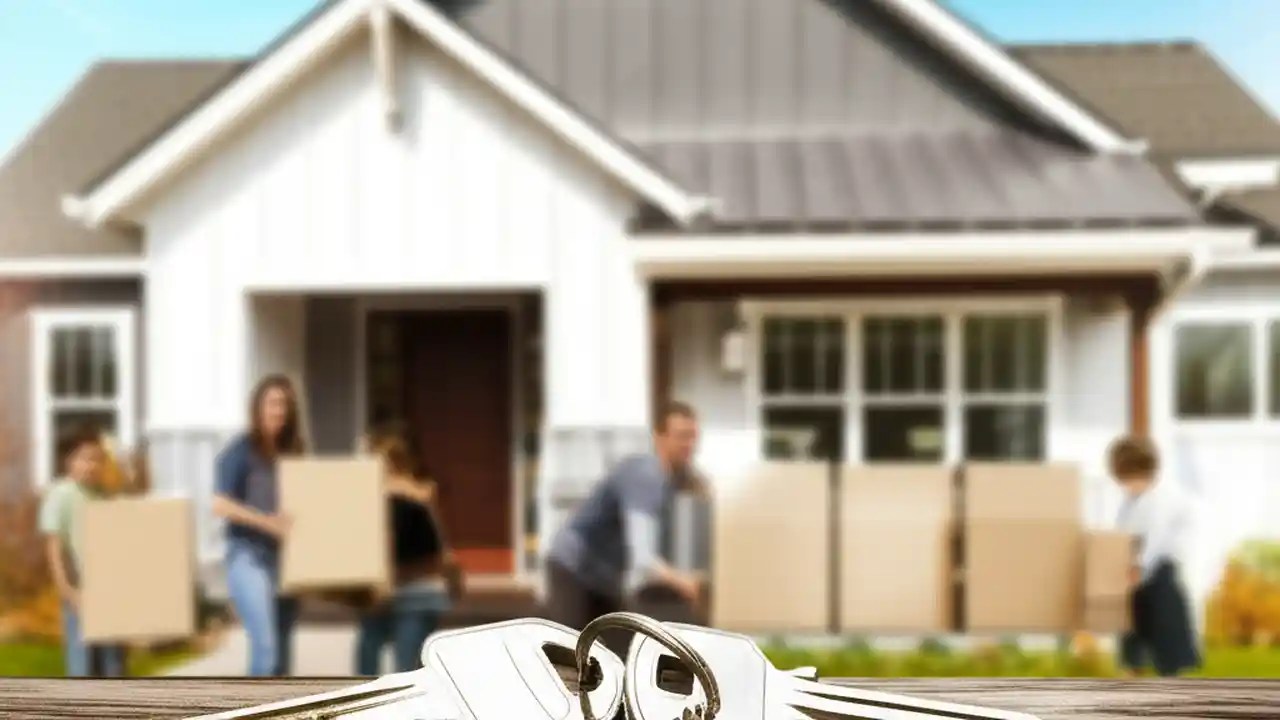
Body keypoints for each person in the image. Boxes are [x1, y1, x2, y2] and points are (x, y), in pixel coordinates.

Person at [544, 401, 706, 654]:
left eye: (693, 437)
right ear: (660, 437)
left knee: (623, 655)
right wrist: (684, 583)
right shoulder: (645, 475)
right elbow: (642, 556)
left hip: (604, 579)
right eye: (681, 436)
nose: (689, 445)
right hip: (573, 568)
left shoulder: (673, 480)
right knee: (567, 654)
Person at [213, 375, 306, 676]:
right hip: (248, 557)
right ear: (258, 407)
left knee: (283, 659)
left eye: (285, 405)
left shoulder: (294, 450)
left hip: (287, 560)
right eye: (273, 403)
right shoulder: (240, 450)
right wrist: (267, 523)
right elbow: (220, 504)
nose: (279, 411)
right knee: (265, 651)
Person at [353, 431, 456, 675]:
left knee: (405, 672)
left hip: (415, 595)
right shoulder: (374, 498)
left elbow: (432, 555)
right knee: (368, 659)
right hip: (383, 594)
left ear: (391, 464)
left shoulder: (413, 498)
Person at [1109, 434, 1201, 678]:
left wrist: (1139, 567)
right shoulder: (1130, 501)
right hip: (1136, 572)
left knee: (1165, 636)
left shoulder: (1161, 498)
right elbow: (1123, 534)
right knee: (1132, 633)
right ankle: (1133, 674)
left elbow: (1155, 540)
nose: (1126, 485)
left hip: (1161, 571)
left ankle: (1171, 684)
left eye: (1128, 478)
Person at [38, 424, 126, 677]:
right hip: (79, 590)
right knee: (82, 666)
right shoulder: (61, 494)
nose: (92, 466)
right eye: (86, 459)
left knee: (113, 664)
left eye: (98, 460)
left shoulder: (102, 496)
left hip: (108, 590)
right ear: (69, 460)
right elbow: (55, 548)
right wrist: (67, 590)